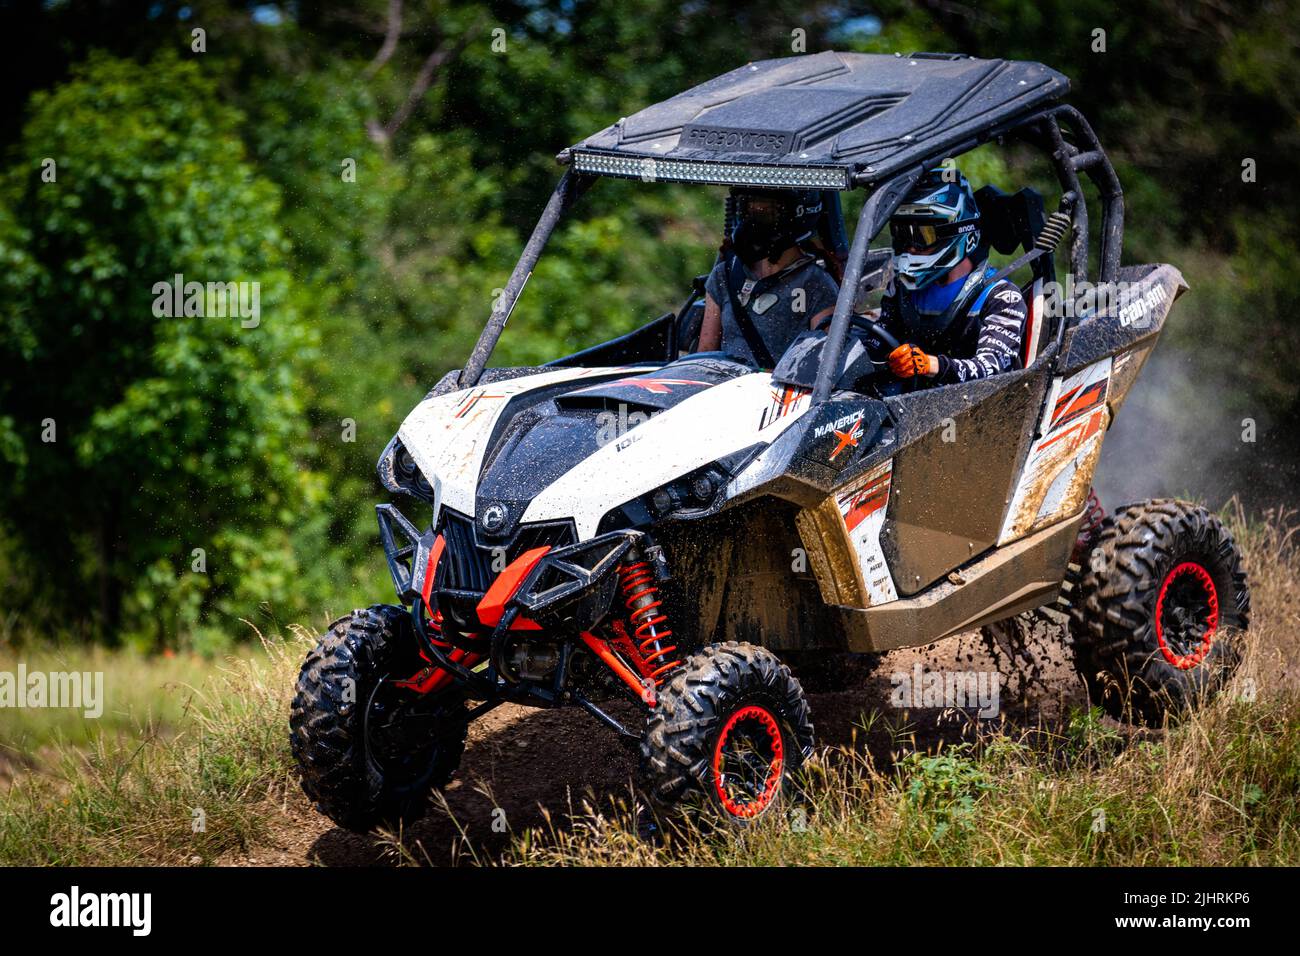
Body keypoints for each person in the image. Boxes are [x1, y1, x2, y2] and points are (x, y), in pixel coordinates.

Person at [878, 169, 1027, 384]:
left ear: (957, 232)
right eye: (902, 235)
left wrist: (929, 364)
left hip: (984, 410)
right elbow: (877, 345)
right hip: (906, 407)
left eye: (922, 236)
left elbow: (991, 369)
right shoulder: (901, 289)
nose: (910, 248)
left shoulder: (1001, 297)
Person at [697, 188, 840, 368]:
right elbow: (703, 359)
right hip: (726, 391)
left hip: (781, 394)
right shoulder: (724, 275)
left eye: (768, 210)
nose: (754, 219)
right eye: (749, 208)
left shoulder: (816, 283)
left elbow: (821, 367)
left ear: (796, 215)